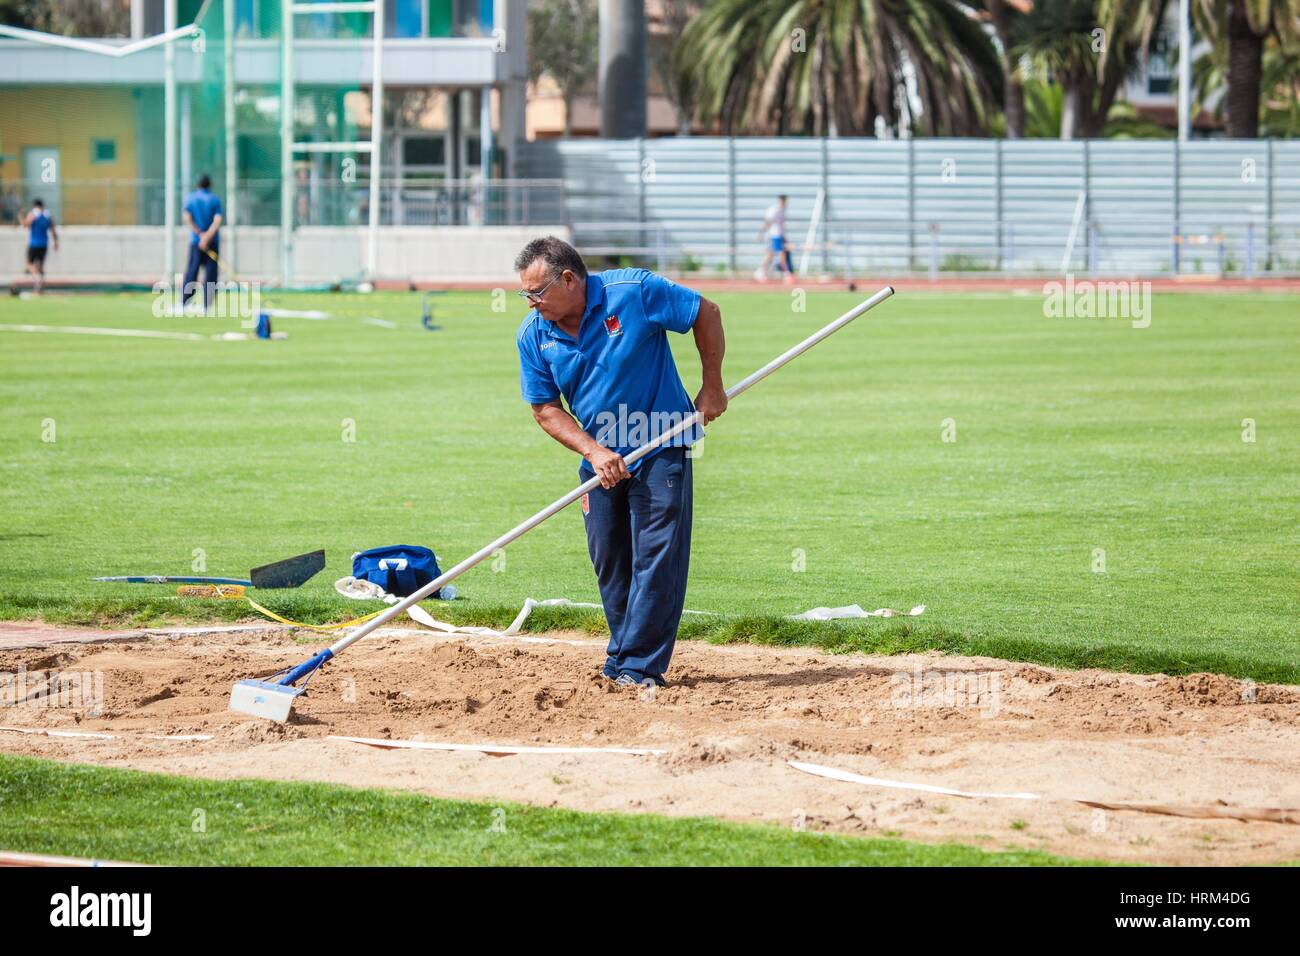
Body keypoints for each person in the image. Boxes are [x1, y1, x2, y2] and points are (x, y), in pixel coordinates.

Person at [515, 237, 727, 688]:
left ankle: (638, 667)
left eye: (536, 293)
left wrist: (712, 385)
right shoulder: (534, 334)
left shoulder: (634, 291)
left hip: (661, 445)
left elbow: (705, 313)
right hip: (601, 459)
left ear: (568, 279)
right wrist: (592, 451)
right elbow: (545, 408)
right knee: (611, 561)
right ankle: (624, 654)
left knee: (656, 559)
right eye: (524, 295)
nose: (530, 303)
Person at [181, 174, 223, 312]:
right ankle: (207, 305)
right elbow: (217, 220)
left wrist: (200, 235)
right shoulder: (214, 199)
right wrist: (207, 236)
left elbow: (187, 218)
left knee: (192, 271)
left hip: (196, 242)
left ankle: (185, 303)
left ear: (197, 184)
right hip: (212, 241)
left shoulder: (191, 198)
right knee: (211, 273)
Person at [755, 194, 795, 283]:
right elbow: (767, 222)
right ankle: (786, 273)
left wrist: (784, 237)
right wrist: (760, 234)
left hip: (779, 236)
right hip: (775, 236)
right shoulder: (774, 210)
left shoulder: (783, 210)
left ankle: (760, 271)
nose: (785, 203)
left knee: (770, 255)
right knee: (781, 254)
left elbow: (782, 226)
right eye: (783, 201)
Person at [20, 199, 57, 294]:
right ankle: (40, 284)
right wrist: (56, 242)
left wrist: (20, 216)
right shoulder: (47, 216)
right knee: (41, 266)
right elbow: (53, 230)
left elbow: (25, 225)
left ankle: (36, 279)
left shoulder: (33, 214)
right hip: (44, 244)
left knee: (29, 264)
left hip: (34, 243)